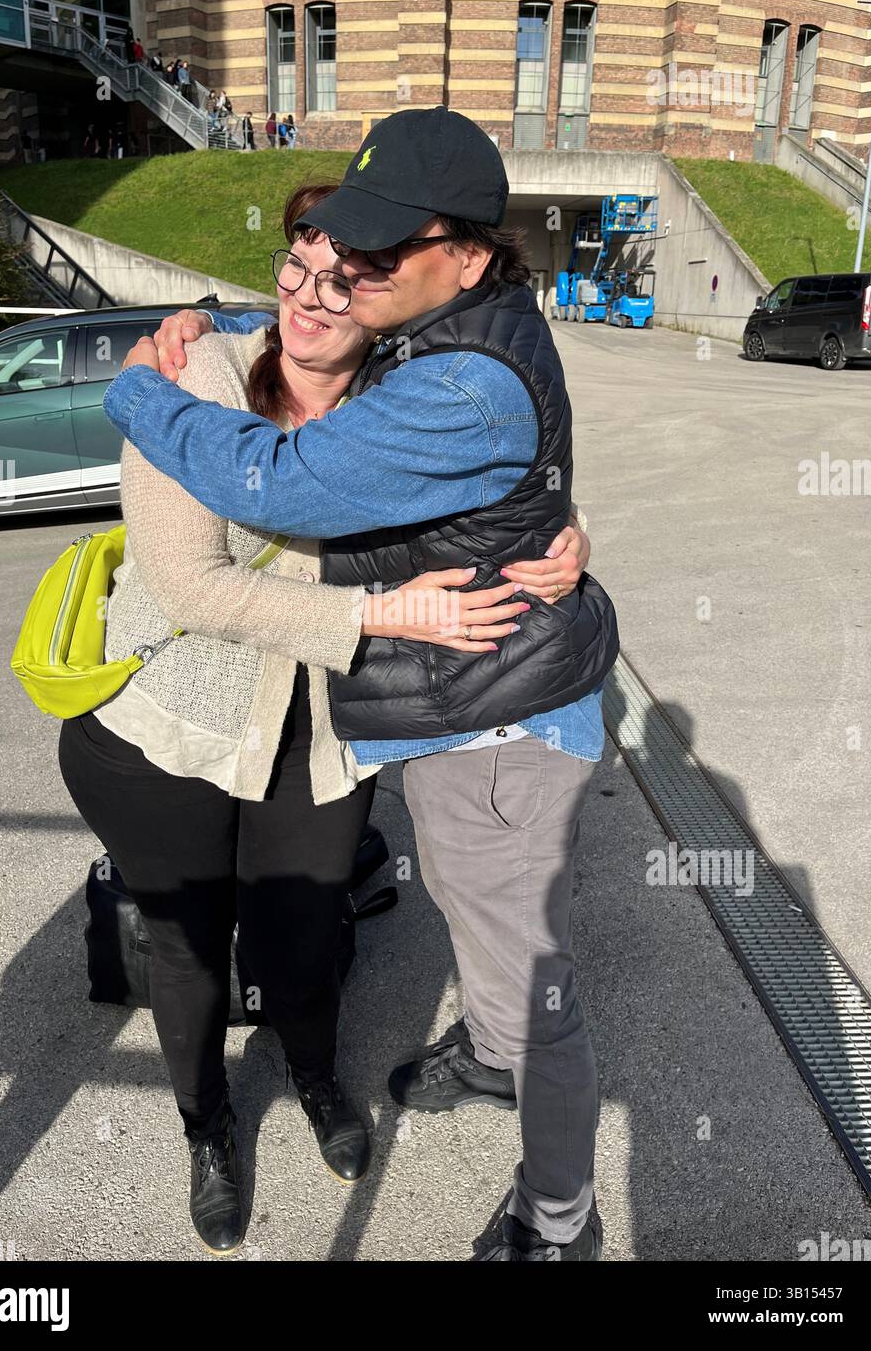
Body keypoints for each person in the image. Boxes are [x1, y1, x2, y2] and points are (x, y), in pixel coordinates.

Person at [104, 106, 619, 1262]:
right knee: (452, 905)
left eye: (377, 256)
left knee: (527, 980)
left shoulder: (455, 385)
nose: (343, 278)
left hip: (497, 721)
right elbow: (304, 321)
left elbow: (273, 479)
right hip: (434, 708)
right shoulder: (428, 318)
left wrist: (137, 387)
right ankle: (483, 1054)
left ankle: (559, 1218)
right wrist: (204, 330)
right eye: (332, 245)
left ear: (473, 253)